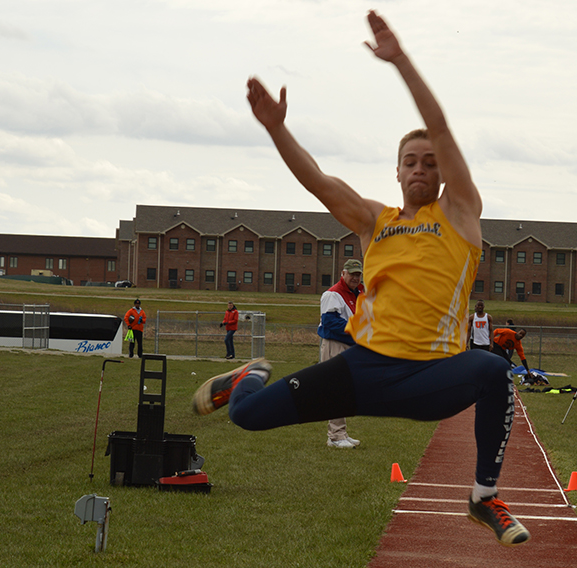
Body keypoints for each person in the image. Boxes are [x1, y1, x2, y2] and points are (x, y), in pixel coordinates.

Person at [192, 11, 529, 546]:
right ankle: (246, 376)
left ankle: (483, 498)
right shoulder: (377, 222)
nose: (420, 169)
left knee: (491, 371)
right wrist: (277, 128)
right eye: (409, 163)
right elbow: (319, 184)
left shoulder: (459, 214)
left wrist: (400, 63)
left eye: (429, 162)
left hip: (430, 378)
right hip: (364, 370)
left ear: (442, 172)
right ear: (396, 172)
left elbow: (440, 128)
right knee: (249, 416)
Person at [317, 259, 364, 449]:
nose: (355, 277)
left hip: (351, 345)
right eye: (351, 274)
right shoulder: (332, 294)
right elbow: (330, 322)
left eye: (358, 274)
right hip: (335, 344)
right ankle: (336, 435)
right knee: (336, 389)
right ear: (343, 274)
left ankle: (340, 432)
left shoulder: (360, 292)